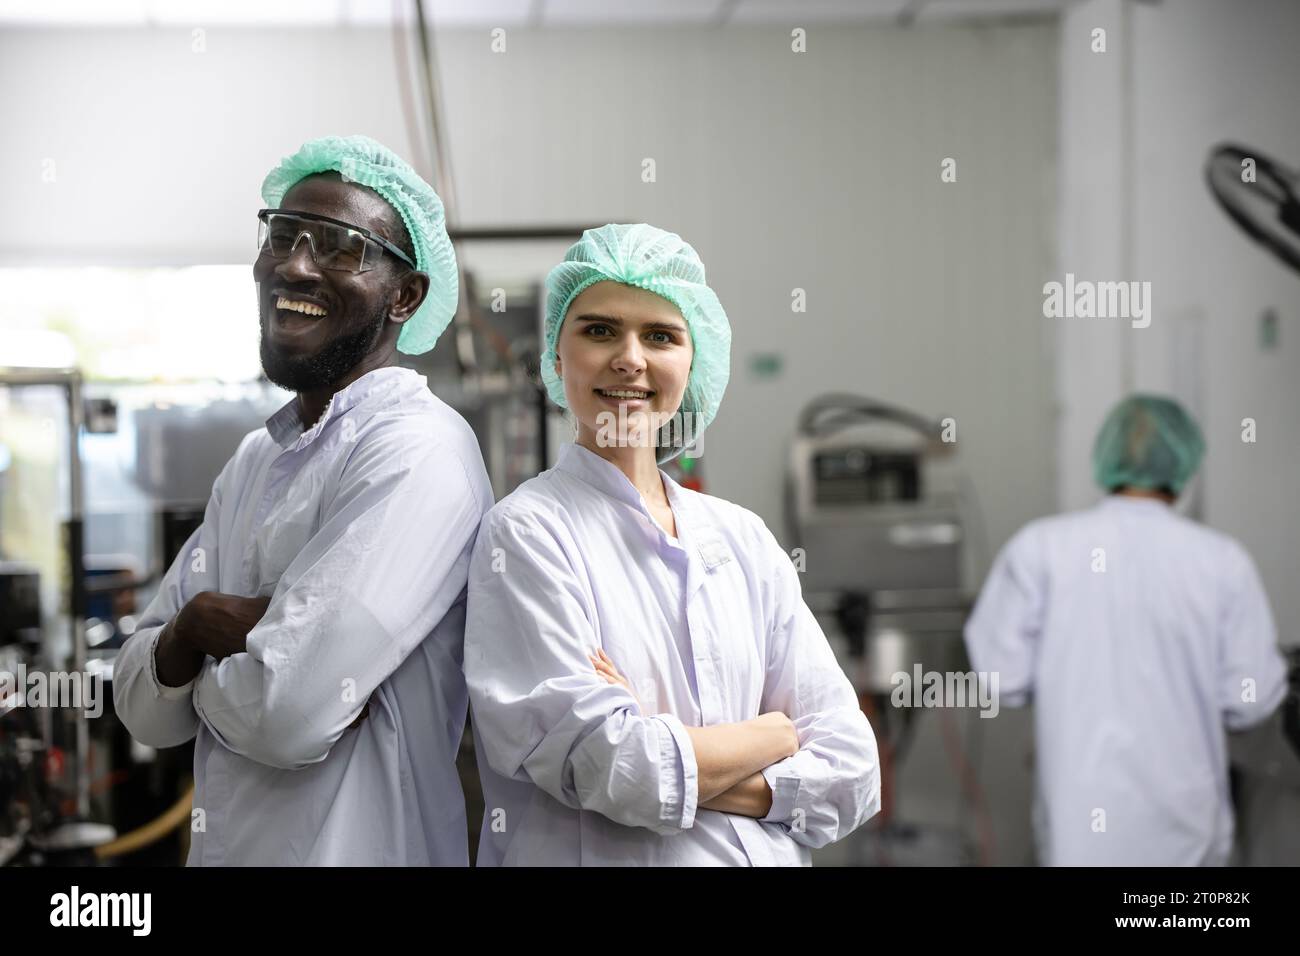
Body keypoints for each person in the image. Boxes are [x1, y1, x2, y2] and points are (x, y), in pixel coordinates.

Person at [113, 135, 492, 865]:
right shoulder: (257, 459)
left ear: (405, 296)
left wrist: (200, 665)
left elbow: (287, 715)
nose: (294, 264)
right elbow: (142, 712)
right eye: (283, 236)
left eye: (342, 248)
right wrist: (198, 625)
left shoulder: (419, 451)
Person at [464, 223, 880, 865]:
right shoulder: (526, 534)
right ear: (555, 355)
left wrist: (675, 750)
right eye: (599, 330)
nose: (630, 358)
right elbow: (623, 771)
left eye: (660, 336)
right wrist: (774, 734)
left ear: (694, 360)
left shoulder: (742, 538)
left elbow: (853, 772)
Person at [964, 394, 1288, 866]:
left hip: (1078, 828)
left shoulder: (1041, 549)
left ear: (1106, 458)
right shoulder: (1221, 562)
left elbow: (1002, 680)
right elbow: (1249, 698)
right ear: (1184, 465)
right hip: (1186, 829)